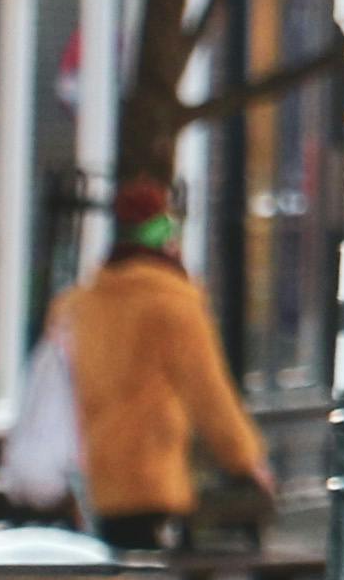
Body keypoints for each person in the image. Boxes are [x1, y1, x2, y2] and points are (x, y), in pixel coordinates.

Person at [49, 194, 270, 558]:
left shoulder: (81, 303)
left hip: (92, 469)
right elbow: (209, 392)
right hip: (149, 469)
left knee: (115, 574)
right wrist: (246, 460)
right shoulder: (173, 302)